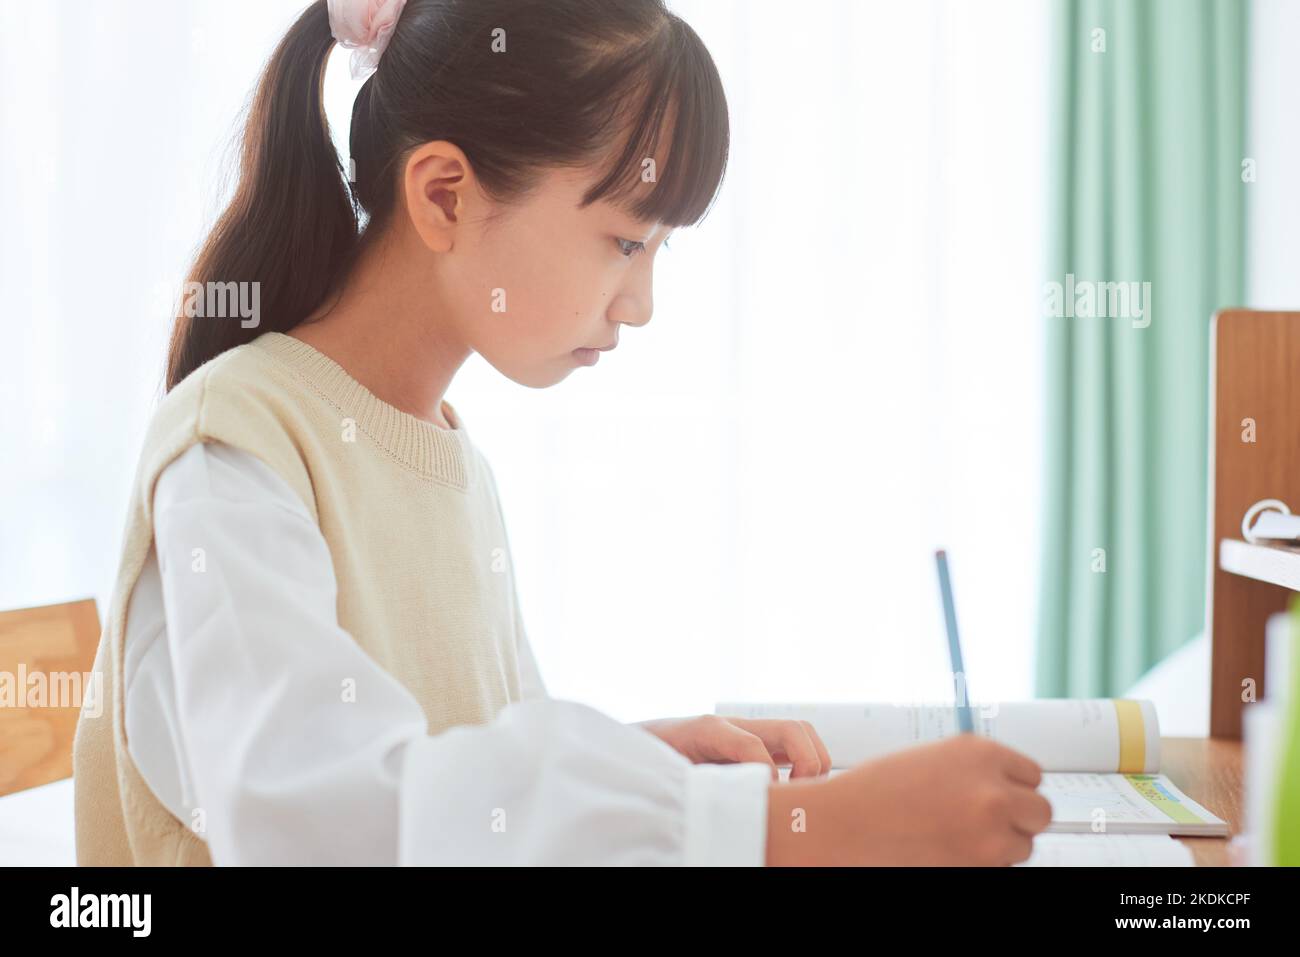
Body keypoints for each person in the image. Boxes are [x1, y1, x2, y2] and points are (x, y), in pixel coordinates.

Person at [72, 0, 1051, 866]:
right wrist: (771, 835)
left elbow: (450, 784)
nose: (642, 303)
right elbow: (324, 824)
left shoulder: (450, 462)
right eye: (626, 240)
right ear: (446, 195)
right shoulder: (236, 447)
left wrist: (645, 767)